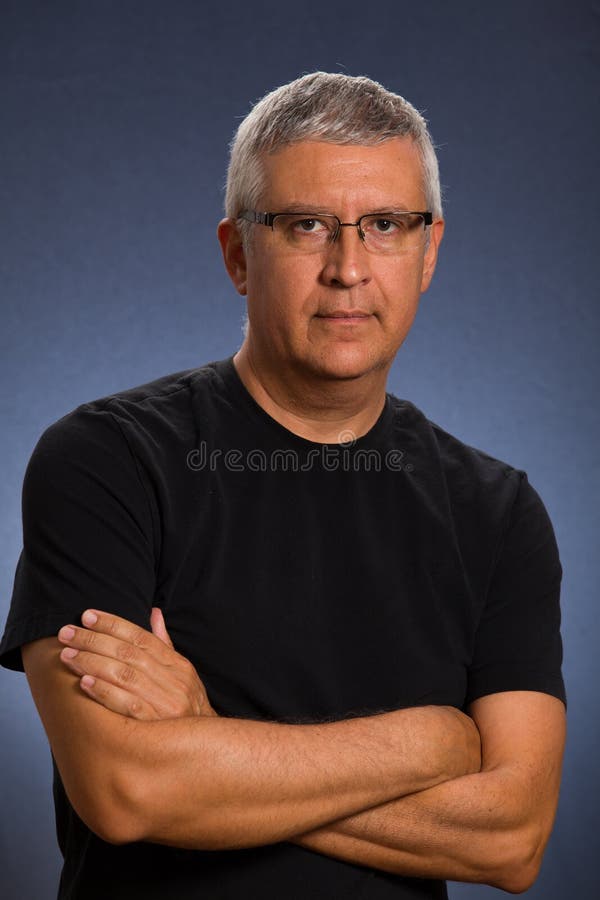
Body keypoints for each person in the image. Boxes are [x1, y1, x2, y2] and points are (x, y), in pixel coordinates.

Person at [0, 72, 566, 900]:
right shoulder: (106, 461)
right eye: (306, 225)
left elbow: (511, 839)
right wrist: (431, 744)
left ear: (429, 251)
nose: (349, 268)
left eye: (385, 226)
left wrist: (209, 742)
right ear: (237, 253)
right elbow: (128, 792)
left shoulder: (499, 512)